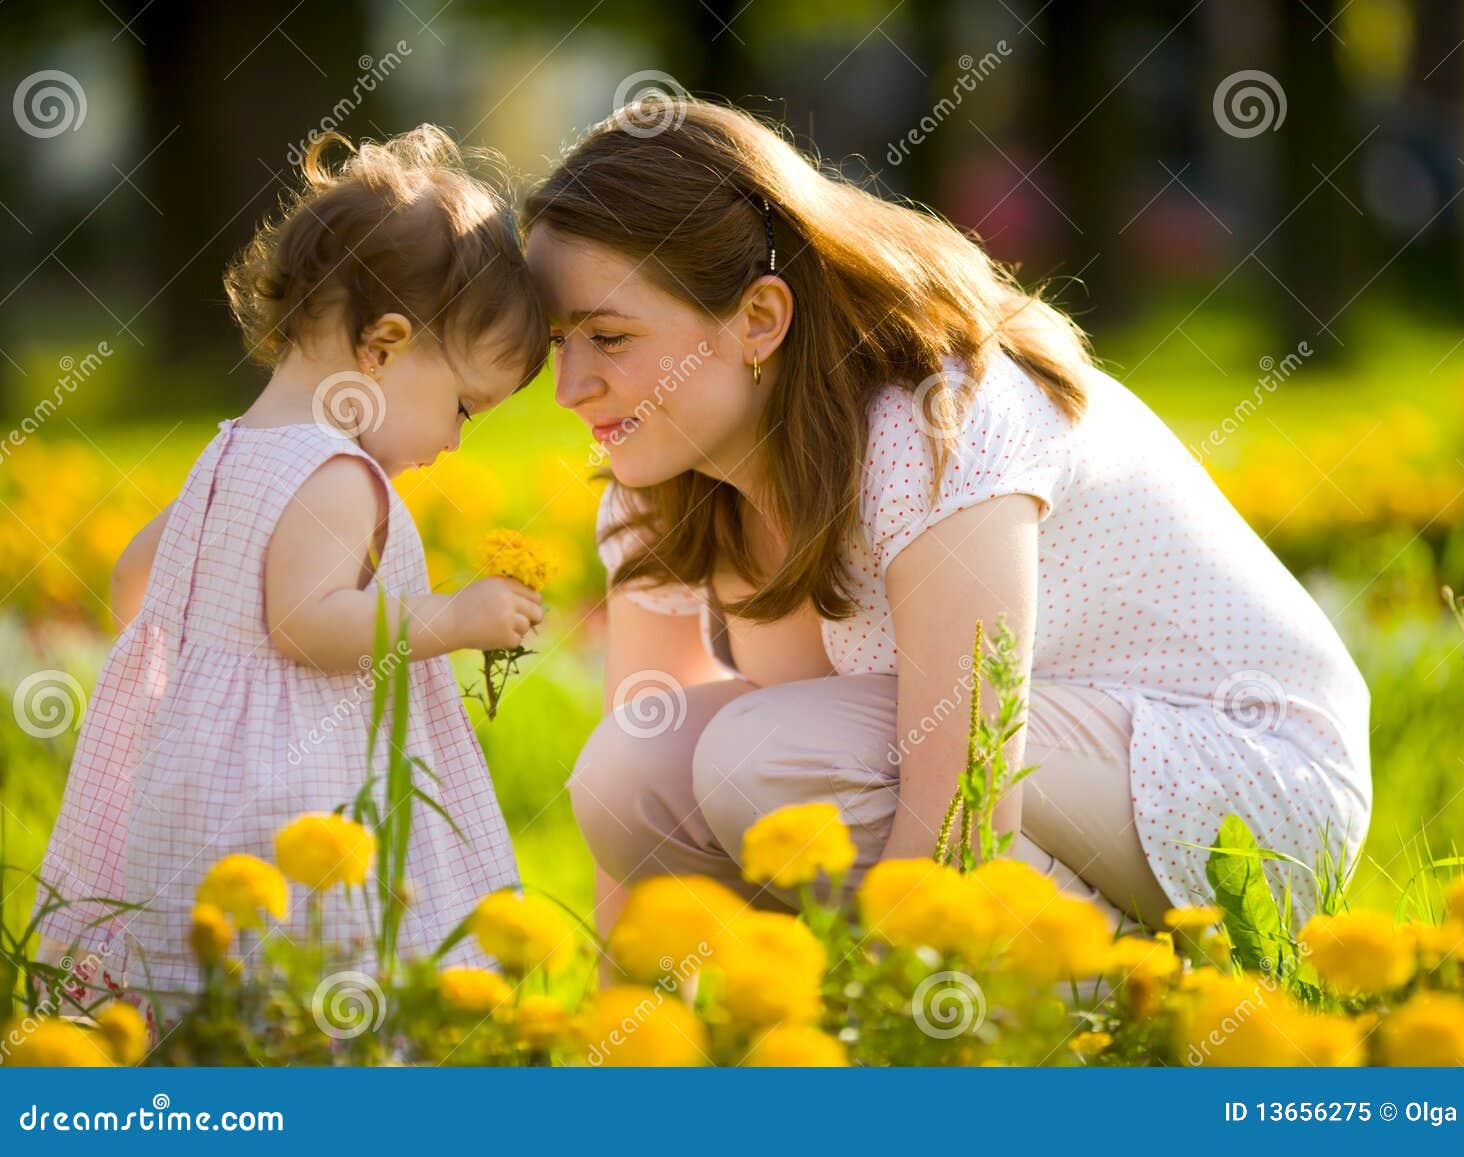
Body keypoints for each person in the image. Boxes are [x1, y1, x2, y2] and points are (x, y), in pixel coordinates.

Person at [524, 98, 1371, 940]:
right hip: (1052, 785)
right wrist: (621, 1014)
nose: (570, 388)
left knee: (765, 759)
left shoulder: (933, 419)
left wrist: (904, 997)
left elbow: (966, 804)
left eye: (610, 337)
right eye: (560, 340)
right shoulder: (661, 472)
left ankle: (1114, 983)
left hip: (1255, 785)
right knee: (632, 767)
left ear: (759, 319)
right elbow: (631, 822)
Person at [33, 126, 546, 1016]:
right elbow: (307, 625)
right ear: (383, 346)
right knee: (316, 982)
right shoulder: (337, 472)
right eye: (464, 407)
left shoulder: (228, 453)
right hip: (294, 801)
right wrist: (456, 617)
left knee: (204, 997)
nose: (457, 441)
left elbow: (133, 582)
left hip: (189, 787)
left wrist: (201, 682)